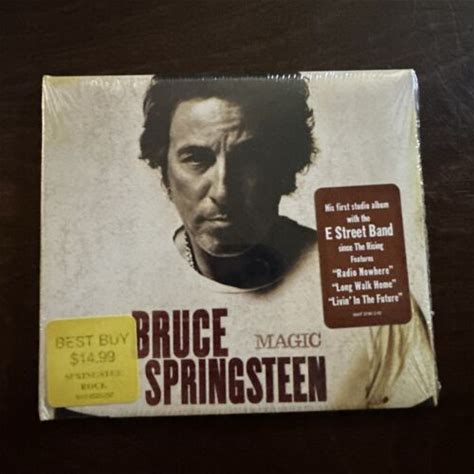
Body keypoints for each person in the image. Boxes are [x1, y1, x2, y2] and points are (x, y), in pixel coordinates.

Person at [139, 75, 317, 289]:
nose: (222, 192)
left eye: (248, 158)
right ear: (165, 171)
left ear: (284, 167)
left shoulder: (330, 264)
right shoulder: (138, 279)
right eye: (196, 159)